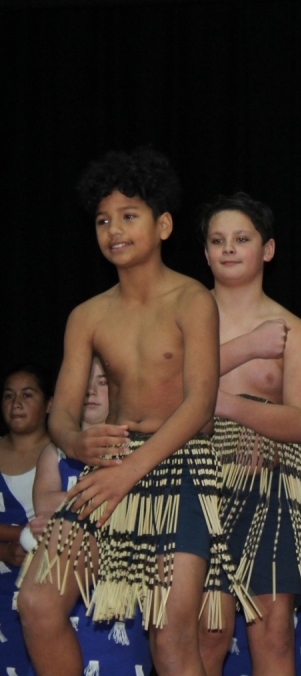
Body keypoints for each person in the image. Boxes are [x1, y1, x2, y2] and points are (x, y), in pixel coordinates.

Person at [17, 146, 233, 676]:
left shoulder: (192, 300)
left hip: (180, 465)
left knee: (171, 636)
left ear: (162, 225)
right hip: (109, 470)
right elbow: (62, 412)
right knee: (38, 604)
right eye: (103, 220)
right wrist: (74, 442)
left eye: (128, 216)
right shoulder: (87, 315)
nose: (114, 229)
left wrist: (133, 471)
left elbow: (201, 404)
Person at [197, 192, 301, 676]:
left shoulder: (294, 330)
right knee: (207, 631)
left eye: (242, 239)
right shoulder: (185, 316)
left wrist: (219, 403)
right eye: (217, 240)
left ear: (267, 249)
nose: (229, 249)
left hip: (271, 487)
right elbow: (165, 396)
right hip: (199, 485)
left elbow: (299, 422)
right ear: (205, 252)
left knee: (272, 632)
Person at [31, 357, 152, 675]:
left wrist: (70, 507)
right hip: (64, 575)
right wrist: (109, 498)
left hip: (118, 580)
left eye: (101, 382)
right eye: (82, 382)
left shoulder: (135, 451)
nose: (90, 391)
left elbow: (143, 506)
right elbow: (44, 503)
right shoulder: (53, 452)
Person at [1, 365, 55, 676]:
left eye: (27, 394)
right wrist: (7, 548)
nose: (16, 402)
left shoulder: (65, 455)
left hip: (51, 582)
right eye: (9, 395)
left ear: (49, 404)